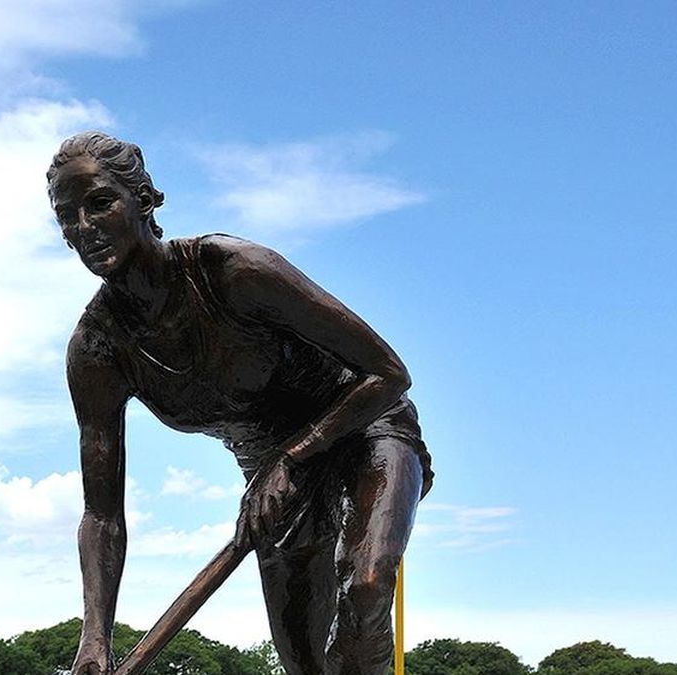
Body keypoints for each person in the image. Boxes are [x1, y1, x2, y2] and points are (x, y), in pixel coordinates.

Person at [48, 132, 434, 675]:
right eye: (67, 217)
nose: (84, 228)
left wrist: (295, 455)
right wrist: (94, 639)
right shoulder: (97, 351)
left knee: (366, 588)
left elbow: (390, 374)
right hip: (272, 487)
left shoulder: (236, 271)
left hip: (361, 427)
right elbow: (102, 514)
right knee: (304, 663)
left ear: (144, 199)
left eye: (100, 203)